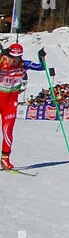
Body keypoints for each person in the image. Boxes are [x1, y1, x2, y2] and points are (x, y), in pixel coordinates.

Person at [0, 42, 28, 170]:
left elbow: (41, 67)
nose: (14, 60)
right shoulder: (2, 61)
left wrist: (42, 58)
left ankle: (5, 159)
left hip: (11, 102)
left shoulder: (23, 65)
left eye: (17, 58)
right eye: (12, 57)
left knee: (8, 130)